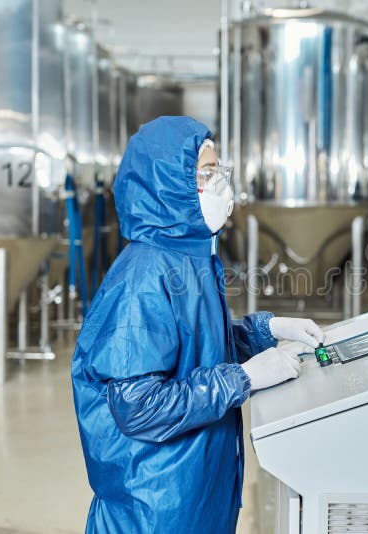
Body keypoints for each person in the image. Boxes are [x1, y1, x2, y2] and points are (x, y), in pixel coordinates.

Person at [71, 116, 325, 533]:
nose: (220, 183)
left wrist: (268, 331)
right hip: (154, 505)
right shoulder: (142, 279)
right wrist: (241, 378)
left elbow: (199, 347)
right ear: (168, 184)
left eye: (218, 171)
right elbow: (139, 406)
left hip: (193, 491)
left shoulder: (189, 258)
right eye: (207, 174)